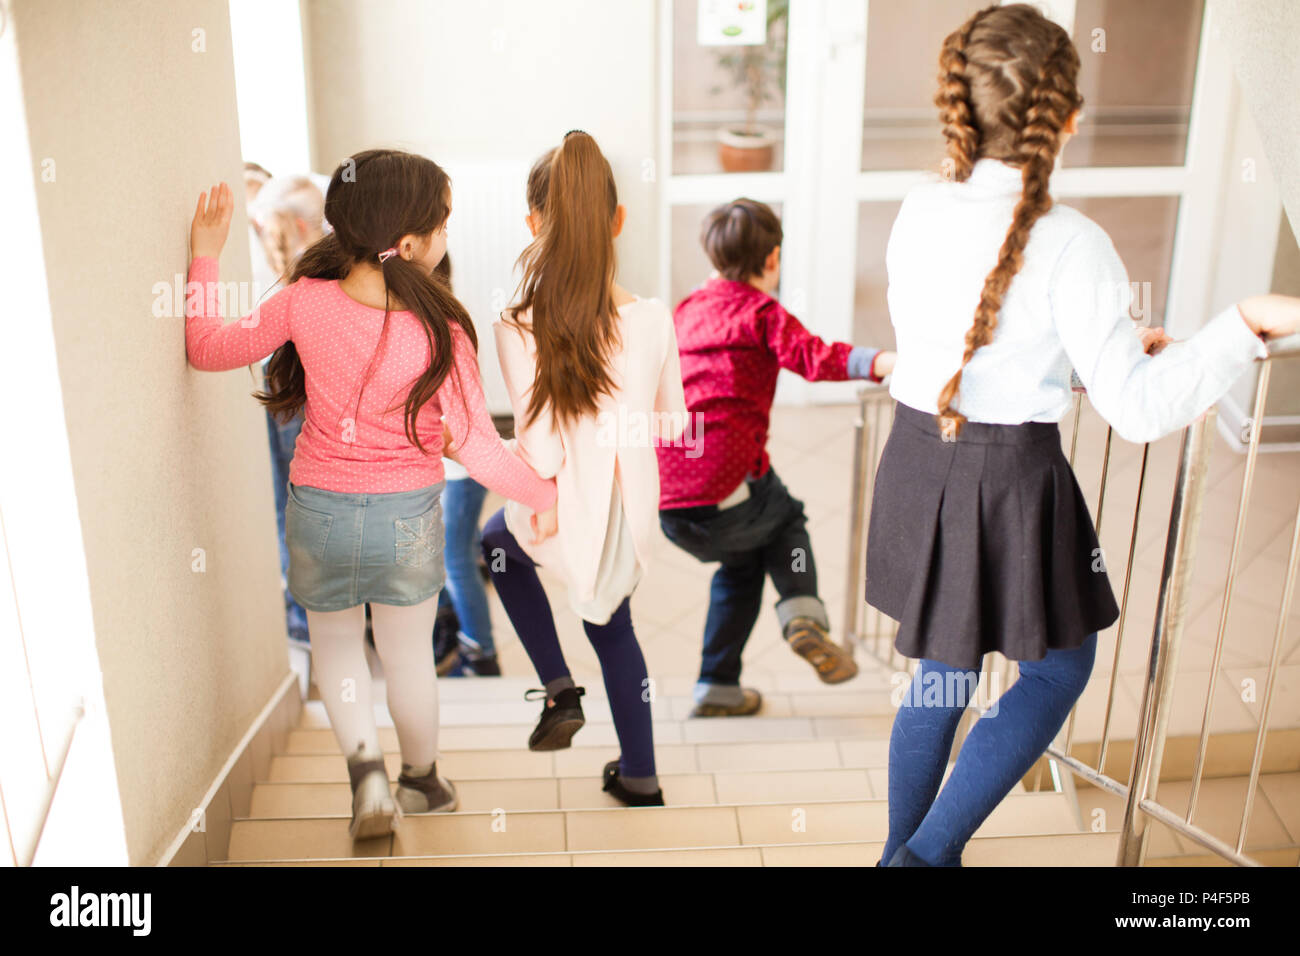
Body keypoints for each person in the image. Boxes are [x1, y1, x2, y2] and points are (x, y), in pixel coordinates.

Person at [867, 3, 1300, 867]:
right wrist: (1241, 324)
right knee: (1058, 672)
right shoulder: (1074, 244)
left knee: (943, 675)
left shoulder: (917, 208)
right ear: (1065, 118)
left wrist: (1069, 357)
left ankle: (898, 859)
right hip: (1008, 479)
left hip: (921, 456)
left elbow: (965, 344)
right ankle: (924, 859)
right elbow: (1137, 411)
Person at [184, 150, 558, 840]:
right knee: (408, 654)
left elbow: (206, 348)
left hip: (319, 510)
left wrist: (204, 259)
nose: (448, 235)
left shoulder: (301, 299)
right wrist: (547, 494)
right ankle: (422, 779)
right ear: (410, 241)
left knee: (335, 645)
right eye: (444, 223)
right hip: (406, 517)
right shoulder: (442, 329)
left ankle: (367, 779)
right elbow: (478, 448)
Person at [479, 131, 687, 806]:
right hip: (626, 515)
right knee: (613, 628)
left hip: (562, 507)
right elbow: (674, 424)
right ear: (618, 221)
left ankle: (560, 688)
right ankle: (640, 775)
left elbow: (538, 451)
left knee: (496, 545)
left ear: (533, 221)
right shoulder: (654, 318)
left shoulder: (516, 321)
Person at [656, 199, 898, 716]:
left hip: (669, 501)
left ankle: (717, 687)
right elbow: (816, 357)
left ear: (712, 257)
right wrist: (879, 361)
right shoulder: (761, 313)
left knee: (740, 567)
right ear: (772, 259)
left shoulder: (687, 309)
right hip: (725, 488)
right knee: (786, 520)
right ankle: (803, 615)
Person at [245, 173, 330, 647]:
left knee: (287, 501)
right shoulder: (321, 266)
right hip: (310, 382)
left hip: (277, 381)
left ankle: (303, 615)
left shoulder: (263, 268)